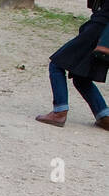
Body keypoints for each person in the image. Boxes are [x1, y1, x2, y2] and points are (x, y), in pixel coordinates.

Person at [36, 0, 109, 130]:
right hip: (103, 34)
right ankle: (104, 116)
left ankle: (59, 112)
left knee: (56, 65)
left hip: (99, 29)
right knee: (81, 78)